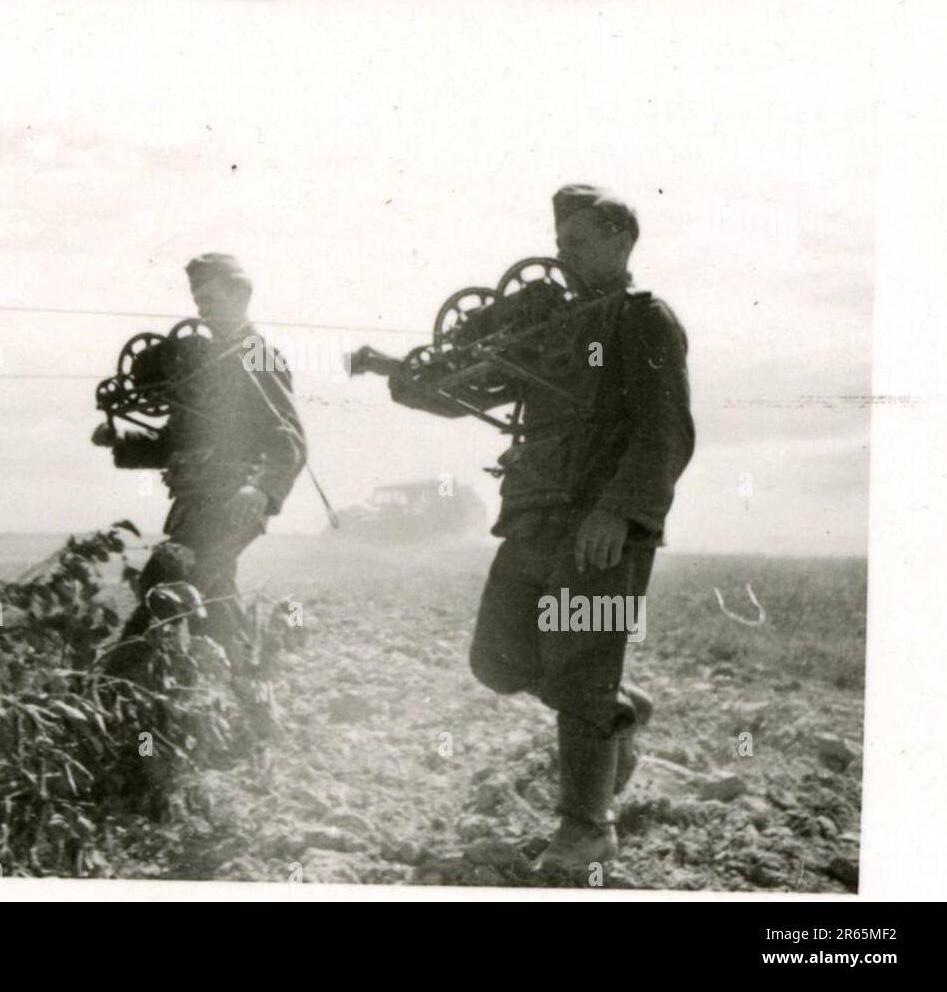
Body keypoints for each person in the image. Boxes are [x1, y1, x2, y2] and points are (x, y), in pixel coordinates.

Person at [359, 186, 694, 870]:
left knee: (579, 670)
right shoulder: (553, 329)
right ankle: (615, 711)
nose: (561, 253)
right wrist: (398, 370)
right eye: (559, 239)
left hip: (602, 530)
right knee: (497, 658)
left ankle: (587, 828)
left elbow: (668, 430)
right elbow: (464, 386)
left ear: (620, 238)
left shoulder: (646, 321)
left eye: (576, 240)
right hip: (534, 517)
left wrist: (619, 512)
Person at [94, 253, 307, 667]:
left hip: (232, 500)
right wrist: (121, 442)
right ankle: (249, 699)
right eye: (197, 299)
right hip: (193, 502)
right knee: (213, 607)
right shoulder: (201, 363)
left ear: (240, 295)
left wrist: (261, 487)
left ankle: (114, 682)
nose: (201, 307)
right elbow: (175, 441)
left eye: (210, 297)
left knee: (165, 581)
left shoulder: (257, 354)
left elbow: (290, 437)